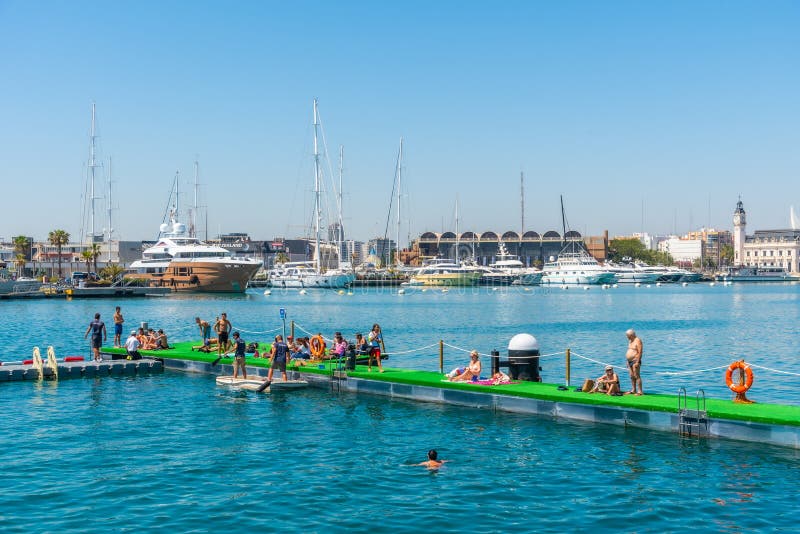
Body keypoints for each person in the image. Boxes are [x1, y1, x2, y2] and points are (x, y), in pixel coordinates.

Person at [624, 329, 644, 395]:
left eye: (628, 335)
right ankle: (633, 389)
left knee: (636, 375)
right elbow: (630, 350)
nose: (627, 337)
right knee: (631, 376)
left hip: (635, 360)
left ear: (631, 335)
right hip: (629, 361)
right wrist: (627, 360)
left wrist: (637, 362)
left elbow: (640, 352)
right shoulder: (630, 340)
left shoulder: (638, 340)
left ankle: (640, 391)